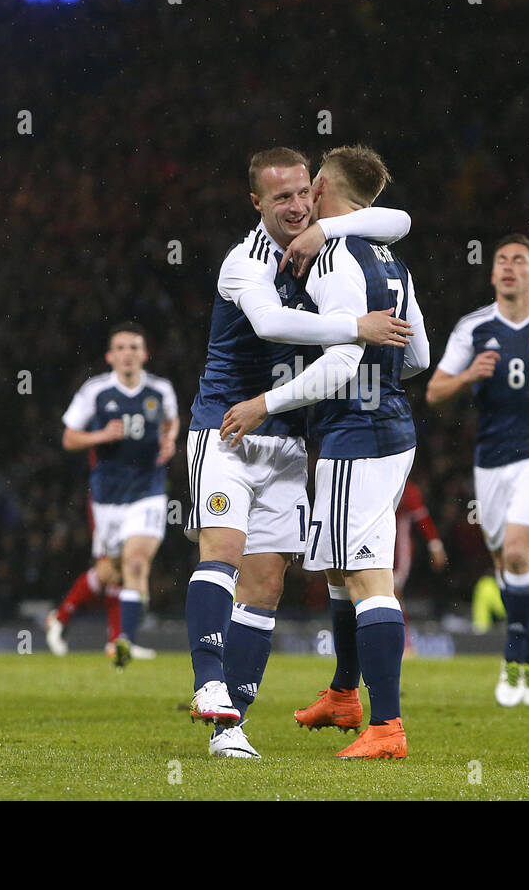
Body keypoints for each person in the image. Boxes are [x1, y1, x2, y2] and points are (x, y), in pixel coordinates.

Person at [185, 146, 414, 759]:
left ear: (315, 192)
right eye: (278, 197)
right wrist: (355, 328)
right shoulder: (244, 261)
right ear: (256, 201)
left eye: (299, 195)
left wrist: (326, 227)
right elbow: (267, 325)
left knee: (266, 584)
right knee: (225, 552)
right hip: (230, 423)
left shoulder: (327, 245)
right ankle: (209, 683)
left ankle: (231, 727)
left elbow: (399, 222)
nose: (292, 206)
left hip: (287, 438)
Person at [425, 235, 529, 707]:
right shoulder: (474, 329)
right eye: (501, 260)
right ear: (493, 273)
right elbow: (435, 392)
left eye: (519, 261)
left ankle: (514, 654)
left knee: (519, 554)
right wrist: (467, 376)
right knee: (504, 564)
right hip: (491, 461)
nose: (508, 267)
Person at [50, 324, 178, 666]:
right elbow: (69, 438)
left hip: (148, 491)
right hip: (107, 497)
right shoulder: (96, 391)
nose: (128, 353)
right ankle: (60, 618)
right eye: (121, 347)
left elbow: (171, 421)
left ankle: (125, 642)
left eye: (134, 347)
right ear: (110, 356)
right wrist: (101, 436)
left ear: (144, 354)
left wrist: (169, 439)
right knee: (108, 572)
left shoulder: (160, 390)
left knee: (136, 563)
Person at [394, 479, 446, 655]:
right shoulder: (374, 478)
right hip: (374, 545)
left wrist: (434, 544)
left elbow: (422, 518)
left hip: (398, 552)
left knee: (393, 592)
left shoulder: (407, 488)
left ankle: (404, 642)